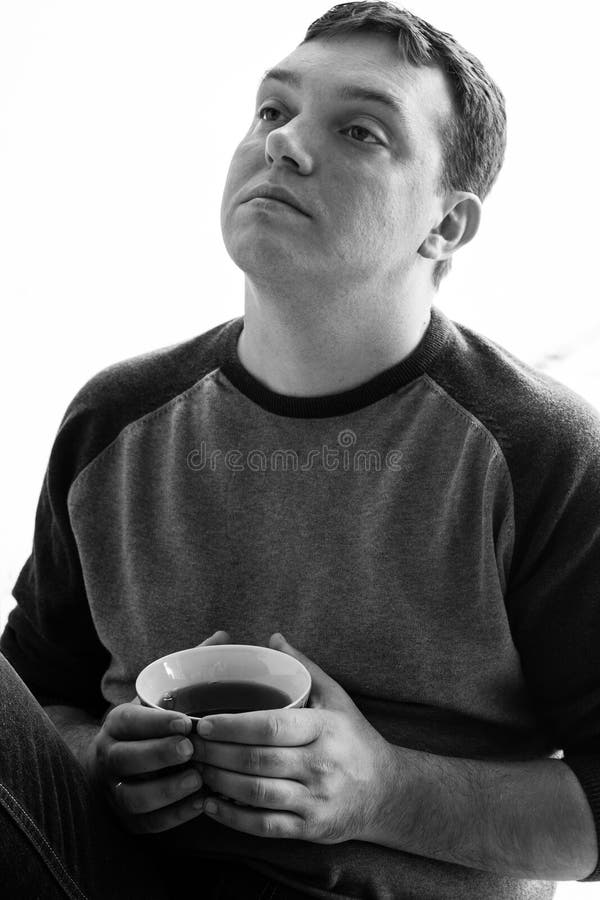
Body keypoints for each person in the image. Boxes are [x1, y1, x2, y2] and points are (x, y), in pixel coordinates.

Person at [1, 1, 599, 897]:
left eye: (360, 131)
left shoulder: (541, 452)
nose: (280, 145)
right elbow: (37, 699)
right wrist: (98, 761)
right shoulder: (114, 418)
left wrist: (387, 793)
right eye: (272, 111)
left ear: (448, 227)